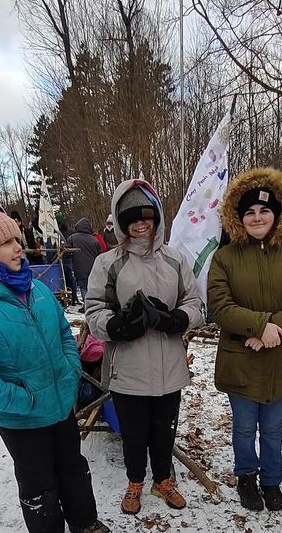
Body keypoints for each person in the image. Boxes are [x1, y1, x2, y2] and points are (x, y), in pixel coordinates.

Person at [0, 193, 113, 533]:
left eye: (16, 238)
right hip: (21, 418)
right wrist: (23, 399)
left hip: (60, 404)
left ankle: (83, 519)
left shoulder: (38, 290)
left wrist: (71, 375)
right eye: (5, 242)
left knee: (73, 464)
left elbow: (62, 337)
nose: (17, 247)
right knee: (37, 477)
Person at [85, 178, 204, 515]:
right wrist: (116, 325)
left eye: (147, 216)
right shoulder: (108, 264)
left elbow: (196, 303)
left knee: (163, 432)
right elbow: (93, 310)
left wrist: (177, 319)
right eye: (132, 217)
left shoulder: (176, 260)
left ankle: (163, 479)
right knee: (134, 434)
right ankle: (136, 480)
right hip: (129, 369)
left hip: (170, 368)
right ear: (121, 222)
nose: (140, 223)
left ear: (156, 218)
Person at [207, 167, 282, 512]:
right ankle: (246, 478)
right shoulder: (225, 258)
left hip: (281, 361)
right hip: (241, 361)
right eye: (250, 212)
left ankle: (271, 480)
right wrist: (258, 327)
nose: (257, 217)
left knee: (272, 429)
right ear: (239, 218)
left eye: (264, 211)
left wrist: (273, 331)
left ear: (278, 215)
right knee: (243, 429)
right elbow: (220, 306)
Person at [66, 218, 101, 305]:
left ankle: (87, 305)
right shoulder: (94, 240)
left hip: (79, 268)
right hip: (93, 268)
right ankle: (94, 304)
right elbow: (100, 255)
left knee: (83, 287)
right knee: (93, 288)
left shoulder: (72, 238)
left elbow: (66, 253)